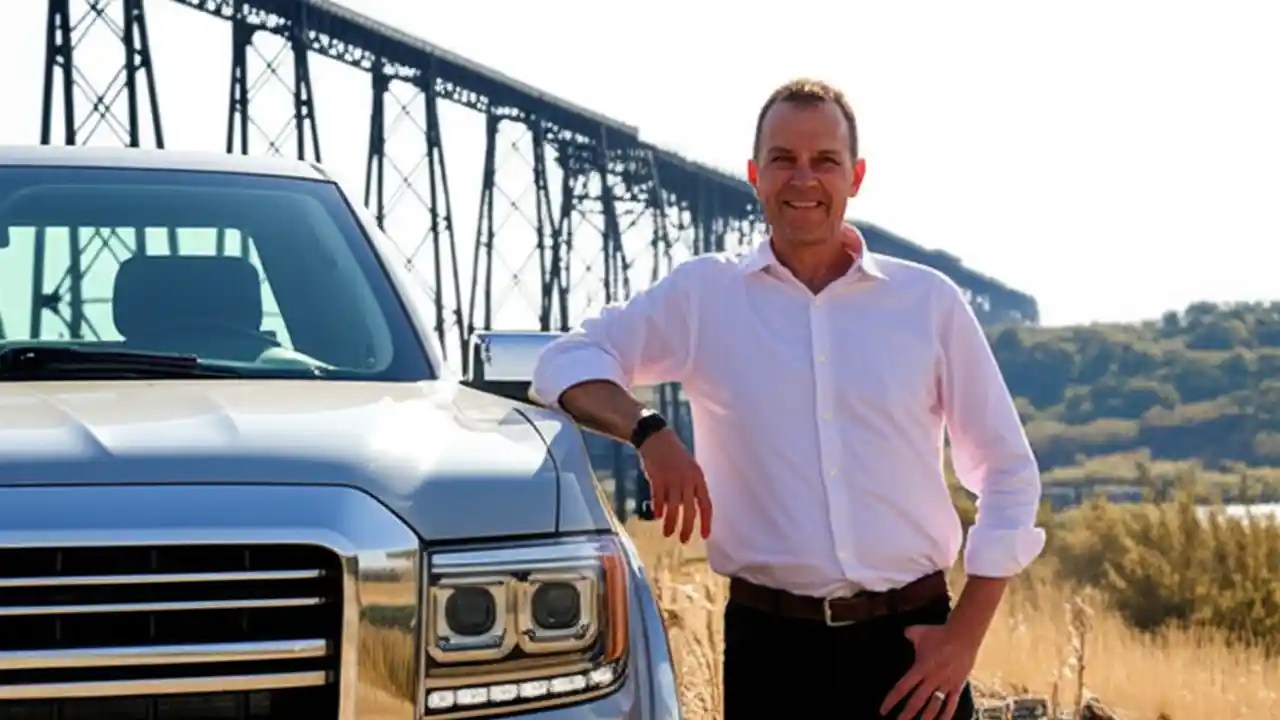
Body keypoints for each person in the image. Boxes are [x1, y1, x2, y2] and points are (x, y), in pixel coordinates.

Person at [530, 78, 1045, 719]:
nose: (804, 180)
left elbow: (1008, 473)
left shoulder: (928, 303)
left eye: (825, 161)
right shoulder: (705, 297)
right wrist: (649, 431)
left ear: (855, 177)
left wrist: (964, 638)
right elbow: (564, 361)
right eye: (783, 160)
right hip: (772, 653)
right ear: (754, 174)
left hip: (911, 647)